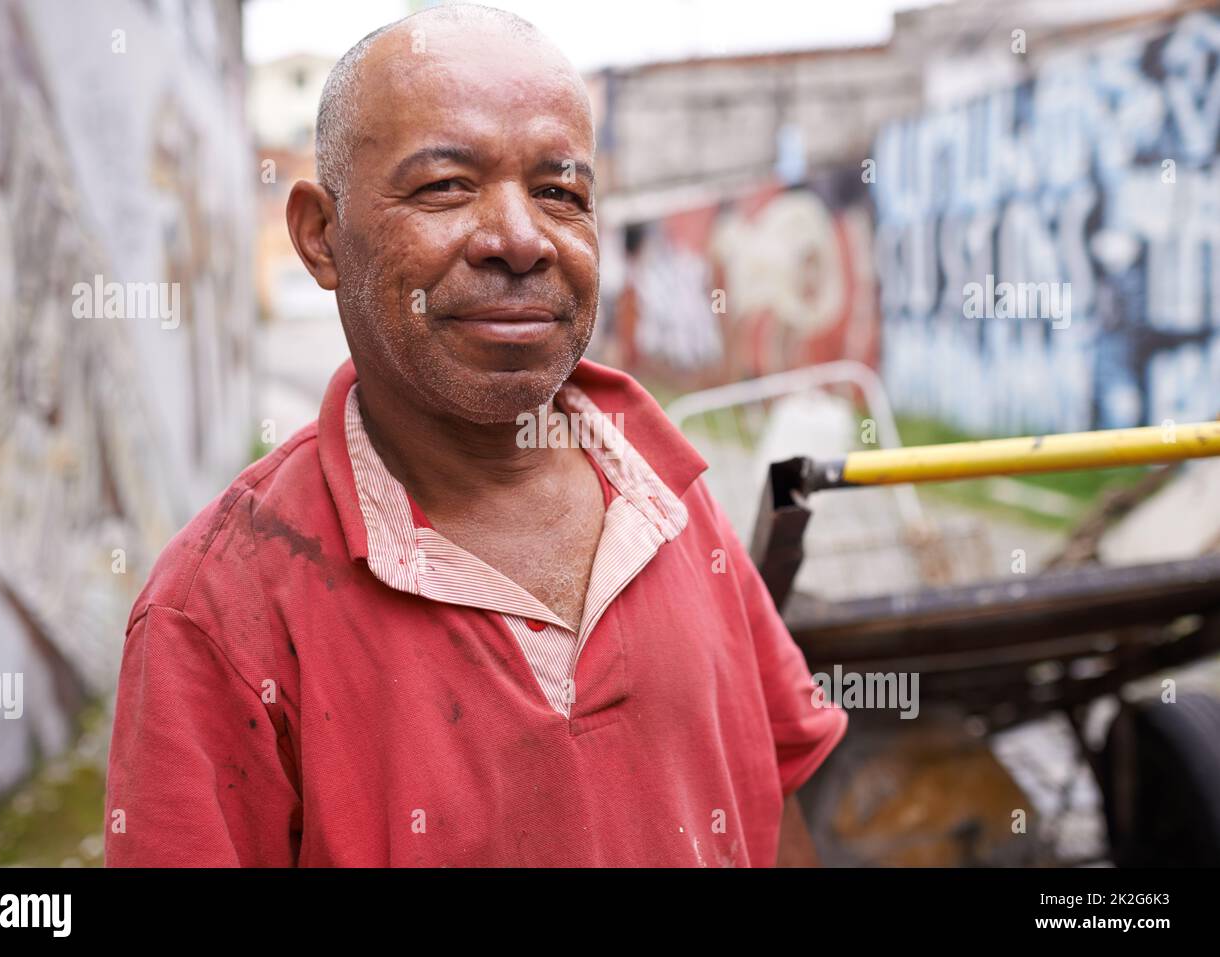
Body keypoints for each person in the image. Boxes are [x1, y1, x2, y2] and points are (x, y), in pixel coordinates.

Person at [105, 3, 846, 867]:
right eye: (446, 186)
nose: (520, 240)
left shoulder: (670, 497)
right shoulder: (216, 612)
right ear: (319, 236)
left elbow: (772, 799)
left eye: (559, 193)